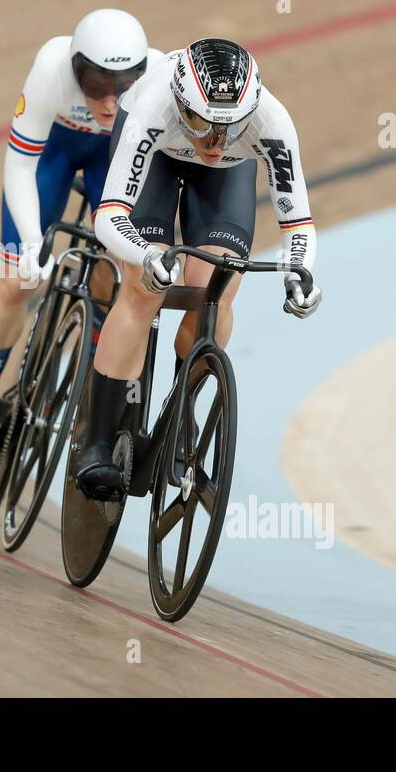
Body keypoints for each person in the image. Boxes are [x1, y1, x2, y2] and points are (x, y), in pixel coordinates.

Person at [72, 38, 322, 501]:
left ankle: (181, 410)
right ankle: (97, 441)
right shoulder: (152, 106)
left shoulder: (271, 122)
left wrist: (300, 273)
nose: (215, 141)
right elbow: (109, 215)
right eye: (203, 124)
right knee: (142, 291)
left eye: (229, 128)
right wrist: (146, 256)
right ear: (182, 104)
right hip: (157, 161)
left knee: (217, 287)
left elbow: (297, 221)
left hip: (225, 177)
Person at [0, 9, 162, 482]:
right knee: (14, 281)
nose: (108, 103)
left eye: (122, 88)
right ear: (74, 69)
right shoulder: (50, 68)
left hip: (115, 162)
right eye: (95, 85)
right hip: (55, 155)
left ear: (142, 75)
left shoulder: (161, 78)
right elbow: (20, 166)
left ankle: (101, 384)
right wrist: (28, 246)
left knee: (125, 281)